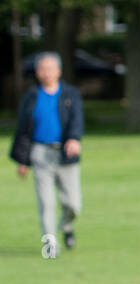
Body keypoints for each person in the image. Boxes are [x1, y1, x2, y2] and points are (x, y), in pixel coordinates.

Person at [9, 52, 84, 258]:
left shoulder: (70, 94)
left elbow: (77, 119)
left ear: (59, 71)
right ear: (37, 72)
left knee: (73, 204)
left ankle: (66, 226)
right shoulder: (31, 96)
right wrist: (23, 161)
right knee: (46, 204)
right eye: (42, 69)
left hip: (65, 154)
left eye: (50, 68)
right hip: (40, 154)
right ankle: (50, 246)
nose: (46, 73)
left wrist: (74, 139)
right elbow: (23, 129)